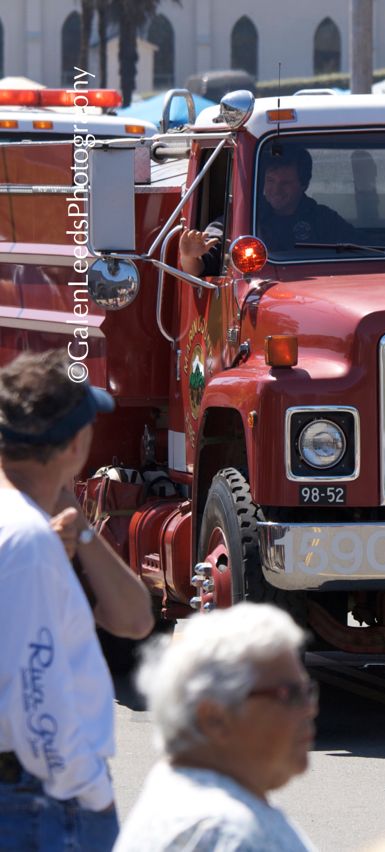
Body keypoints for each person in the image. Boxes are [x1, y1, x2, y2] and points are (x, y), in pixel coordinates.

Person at [0, 351, 155, 851]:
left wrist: (80, 525)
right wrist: (84, 788)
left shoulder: (27, 526)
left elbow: (134, 619)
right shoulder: (27, 539)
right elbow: (35, 691)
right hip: (42, 801)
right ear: (75, 443)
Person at [114, 604, 317, 850]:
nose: (310, 709)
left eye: (308, 691)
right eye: (289, 694)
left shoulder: (189, 799)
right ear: (214, 719)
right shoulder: (226, 833)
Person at [179, 145, 359, 275]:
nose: (276, 190)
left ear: (304, 184)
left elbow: (363, 250)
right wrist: (189, 256)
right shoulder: (241, 218)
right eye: (271, 181)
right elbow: (198, 269)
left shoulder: (323, 219)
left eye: (285, 183)